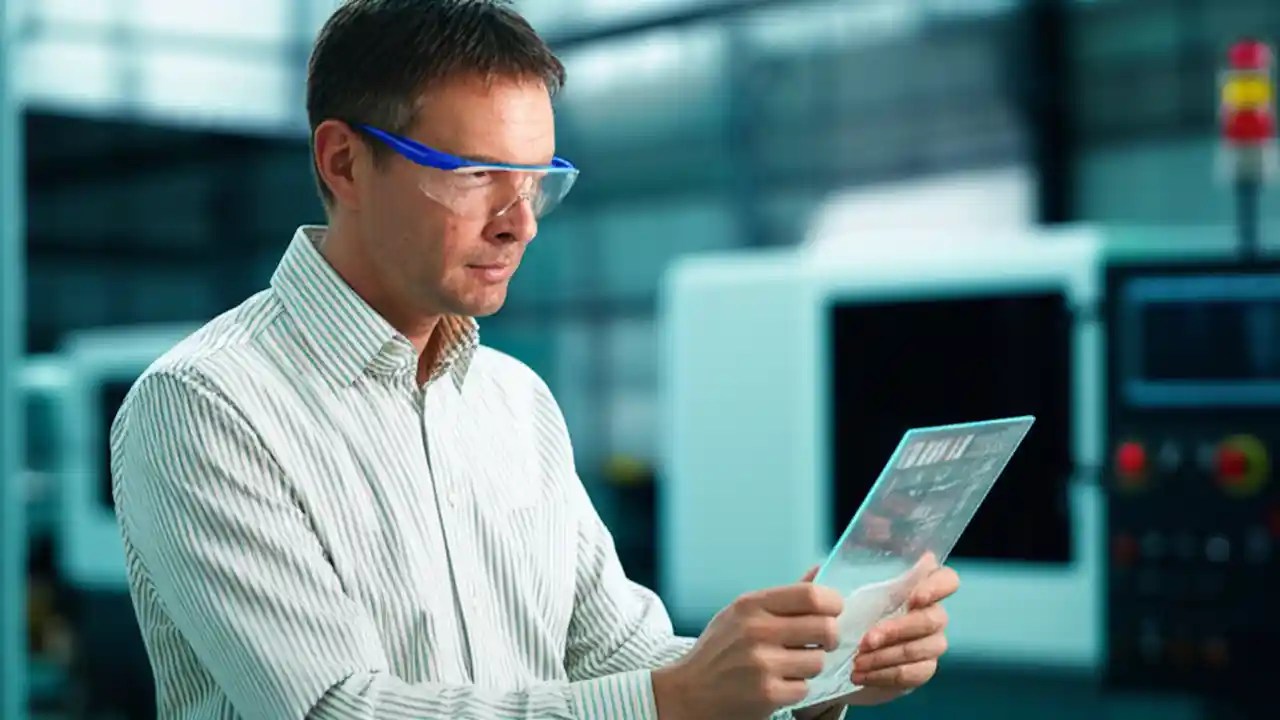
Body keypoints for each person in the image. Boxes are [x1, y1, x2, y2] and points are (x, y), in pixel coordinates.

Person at [109, 1, 960, 718]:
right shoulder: (205, 407)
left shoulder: (514, 401)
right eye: (478, 174)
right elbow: (338, 707)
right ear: (344, 162)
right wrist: (678, 698)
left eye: (537, 179)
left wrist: (804, 667)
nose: (521, 222)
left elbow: (613, 654)